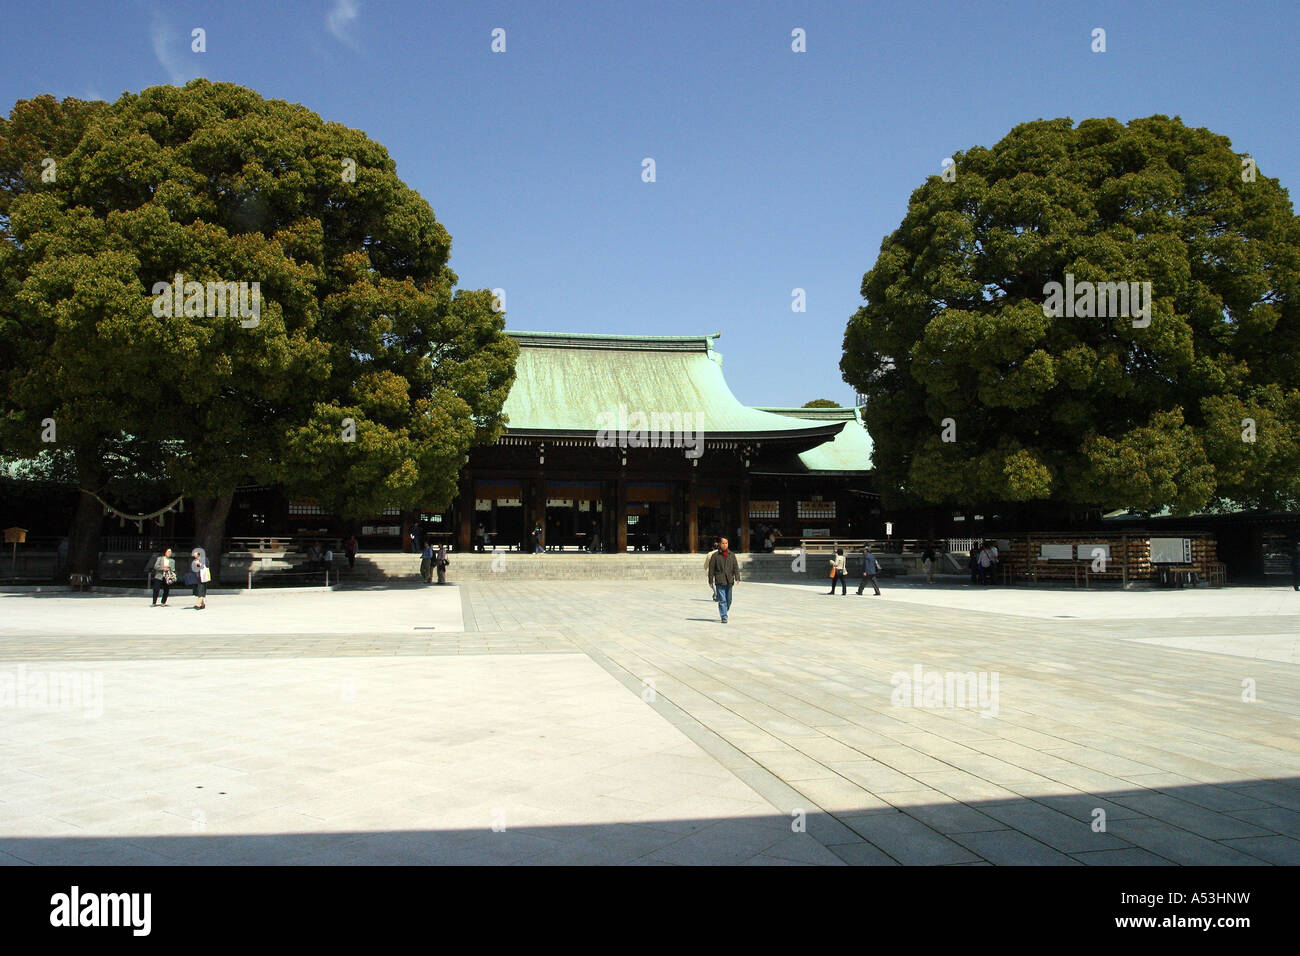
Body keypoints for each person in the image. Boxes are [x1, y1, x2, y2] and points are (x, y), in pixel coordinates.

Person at [707, 536, 740, 623]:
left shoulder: (732, 555)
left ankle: (725, 609)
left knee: (729, 600)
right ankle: (724, 616)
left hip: (729, 580)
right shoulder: (715, 556)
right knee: (722, 600)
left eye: (726, 543)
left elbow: (735, 567)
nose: (725, 545)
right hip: (720, 580)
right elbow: (711, 569)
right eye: (723, 543)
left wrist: (737, 577)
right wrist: (710, 580)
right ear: (719, 544)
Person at [704, 537, 721, 601]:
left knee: (713, 582)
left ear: (713, 548)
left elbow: (707, 562)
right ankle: (716, 595)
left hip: (713, 570)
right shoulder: (722, 553)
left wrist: (705, 567)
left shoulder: (710, 554)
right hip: (721, 569)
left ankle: (716, 594)